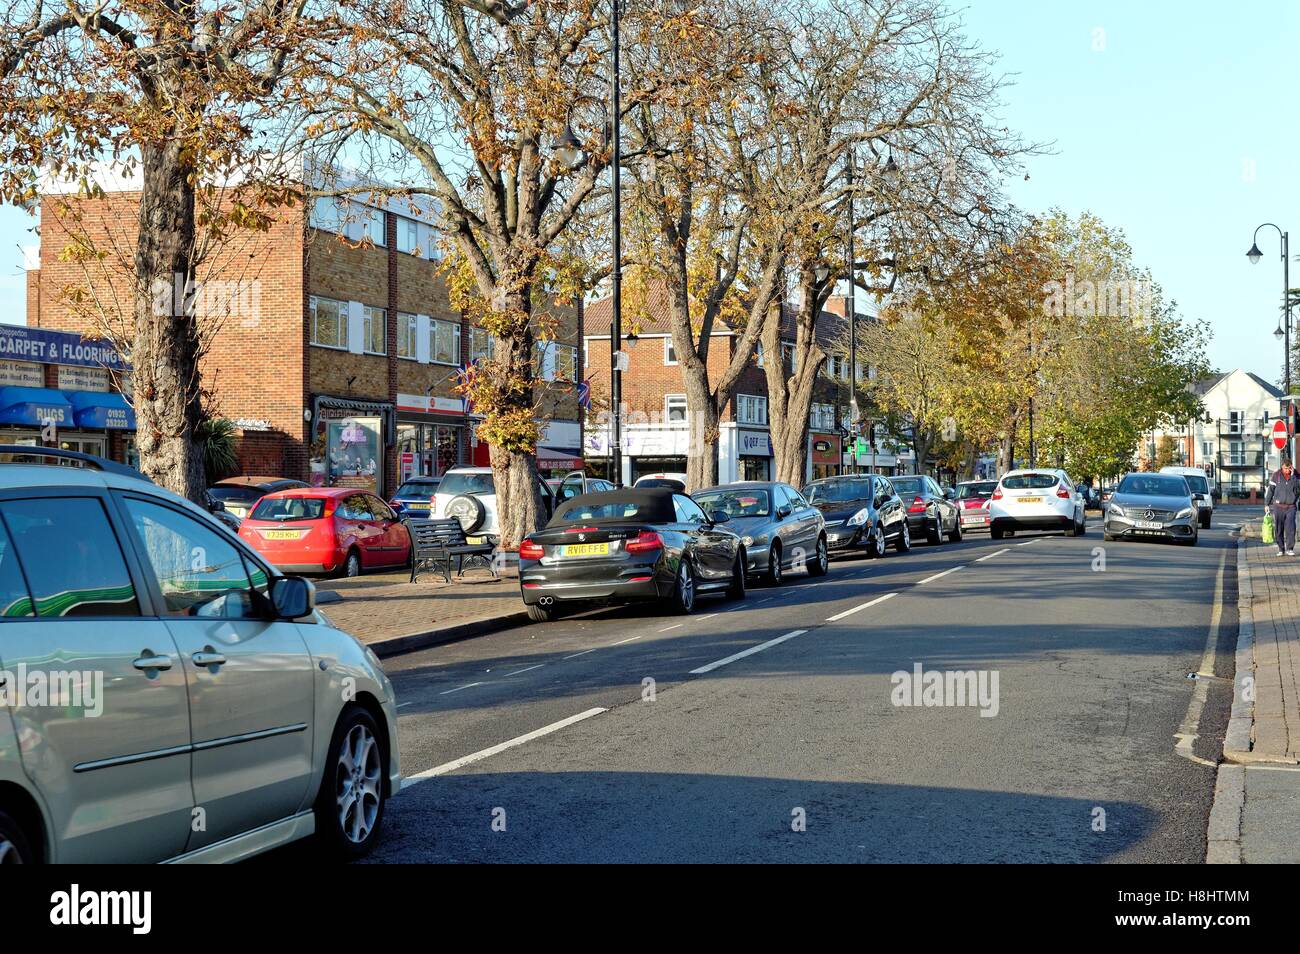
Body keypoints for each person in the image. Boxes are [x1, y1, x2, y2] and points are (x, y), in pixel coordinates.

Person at [1265, 460, 1300, 556]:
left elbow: (1298, 489)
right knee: (1279, 528)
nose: (1287, 470)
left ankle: (1290, 548)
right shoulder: (1276, 475)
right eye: (1285, 468)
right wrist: (1266, 504)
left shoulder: (1296, 475)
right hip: (1278, 506)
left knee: (1291, 528)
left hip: (1291, 507)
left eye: (1289, 468)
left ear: (1291, 467)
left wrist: (1293, 476)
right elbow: (1270, 490)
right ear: (1282, 467)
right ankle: (1281, 549)